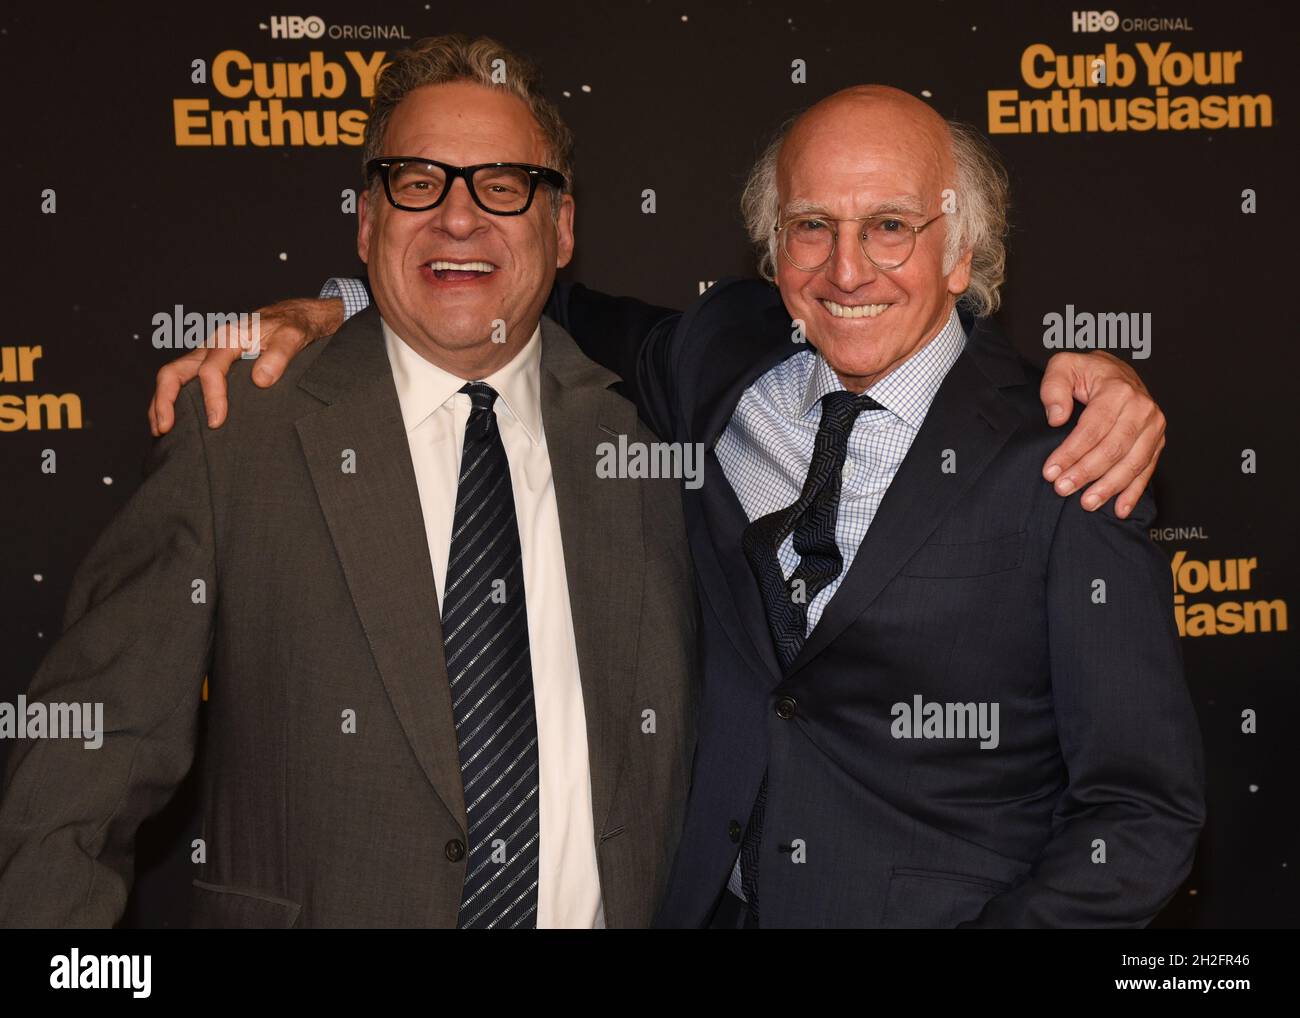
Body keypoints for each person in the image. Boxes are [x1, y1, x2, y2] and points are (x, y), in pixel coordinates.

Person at [148, 83, 1189, 926]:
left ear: (960, 251)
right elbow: (517, 288)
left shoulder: (1071, 454)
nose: (846, 268)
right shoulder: (719, 360)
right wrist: (335, 305)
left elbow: (1142, 810)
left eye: (889, 227)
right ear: (771, 250)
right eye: (810, 227)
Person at [0, 35, 698, 929]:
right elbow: (83, 768)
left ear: (561, 228)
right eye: (418, 182)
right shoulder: (237, 433)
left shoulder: (649, 443)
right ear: (368, 222)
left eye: (501, 185)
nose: (457, 218)